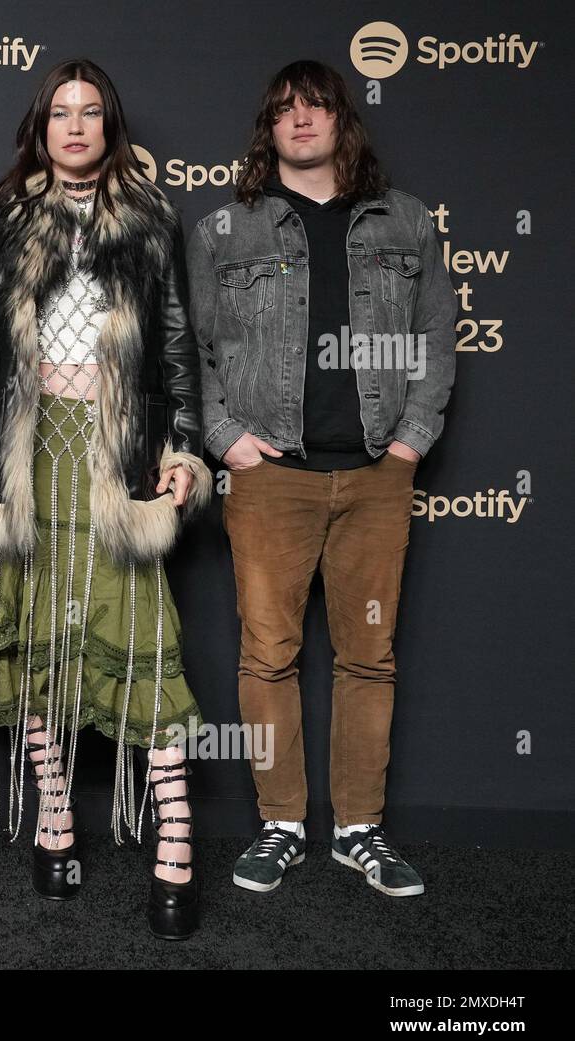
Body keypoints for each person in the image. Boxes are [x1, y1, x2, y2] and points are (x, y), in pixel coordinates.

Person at [0, 60, 211, 938]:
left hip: (112, 446)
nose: (77, 126)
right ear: (41, 126)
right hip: (26, 450)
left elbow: (174, 345)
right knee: (37, 629)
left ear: (109, 125)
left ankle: (176, 842)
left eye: (92, 113)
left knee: (137, 629)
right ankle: (55, 817)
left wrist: (185, 448)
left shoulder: (152, 219)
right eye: (62, 113)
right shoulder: (6, 217)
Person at [187, 60, 457, 898]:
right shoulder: (224, 231)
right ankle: (278, 825)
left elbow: (436, 338)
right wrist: (224, 434)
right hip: (272, 477)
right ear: (268, 130)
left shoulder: (406, 222)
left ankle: (358, 831)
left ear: (344, 120)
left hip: (376, 472)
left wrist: (412, 440)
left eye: (316, 106)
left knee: (367, 656)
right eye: (284, 110)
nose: (301, 120)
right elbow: (189, 346)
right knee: (268, 656)